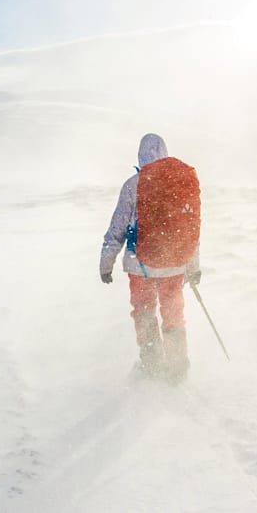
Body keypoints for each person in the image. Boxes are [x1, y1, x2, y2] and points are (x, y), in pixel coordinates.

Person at [100, 133, 200, 383]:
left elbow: (117, 228)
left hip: (139, 266)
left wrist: (106, 262)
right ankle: (177, 368)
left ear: (140, 155)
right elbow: (190, 229)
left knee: (144, 312)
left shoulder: (134, 185)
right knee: (173, 315)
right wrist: (193, 266)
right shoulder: (180, 184)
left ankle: (153, 363)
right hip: (174, 266)